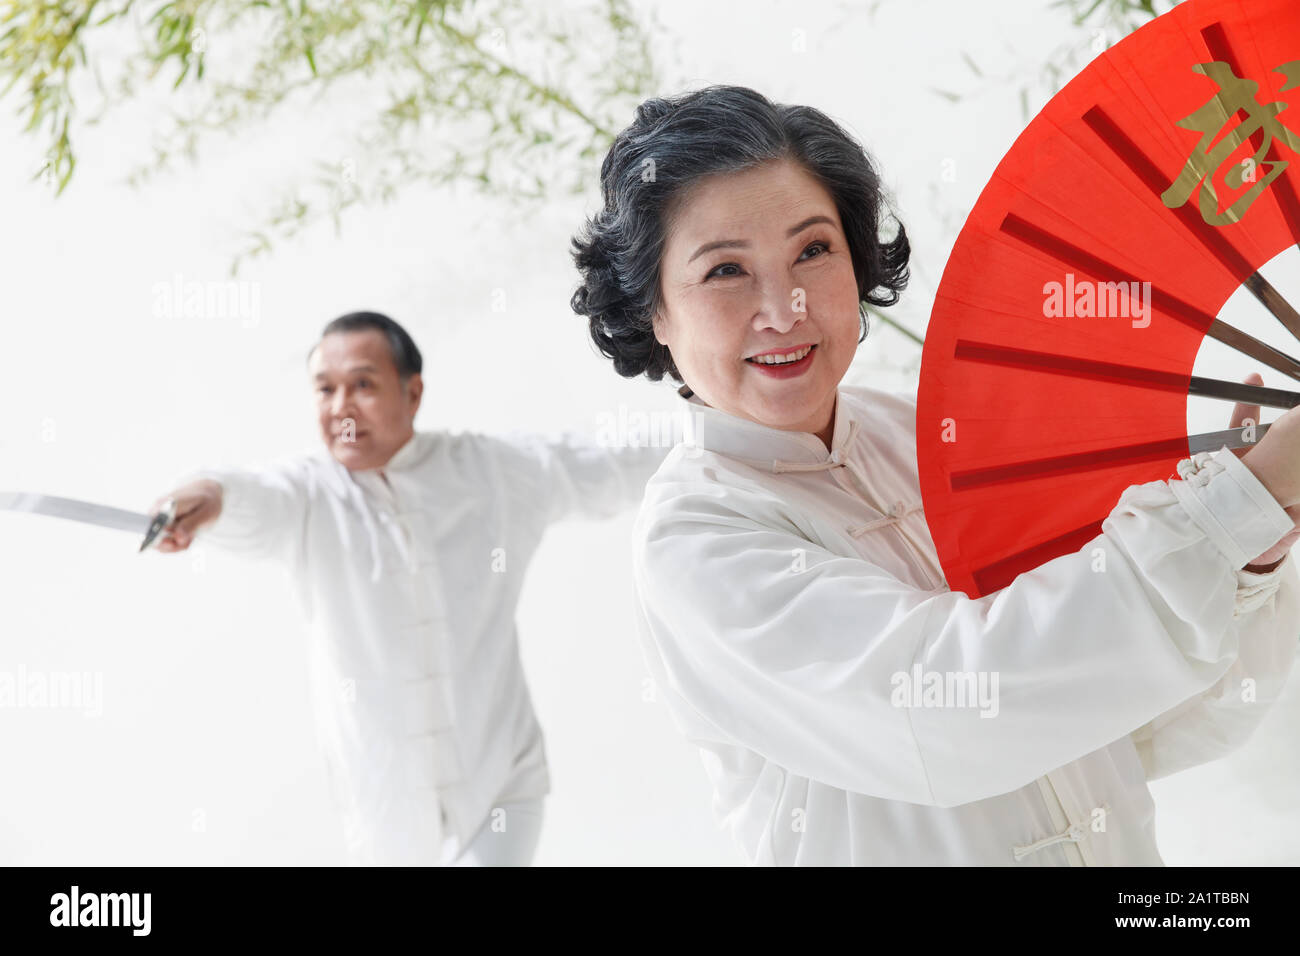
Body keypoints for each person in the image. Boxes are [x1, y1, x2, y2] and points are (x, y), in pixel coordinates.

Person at [569, 84, 1300, 865]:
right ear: (652, 310)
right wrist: (1228, 508)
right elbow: (949, 709)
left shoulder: (927, 431)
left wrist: (1252, 542)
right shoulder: (693, 541)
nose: (783, 308)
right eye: (724, 272)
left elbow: (1138, 719)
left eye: (814, 250)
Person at [152, 310, 670, 865]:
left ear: (413, 392)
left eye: (363, 385)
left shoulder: (490, 471)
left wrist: (736, 431)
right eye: (324, 389)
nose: (340, 407)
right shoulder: (307, 496)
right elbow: (246, 495)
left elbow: (610, 462)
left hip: (500, 785)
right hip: (386, 817)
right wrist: (199, 496)